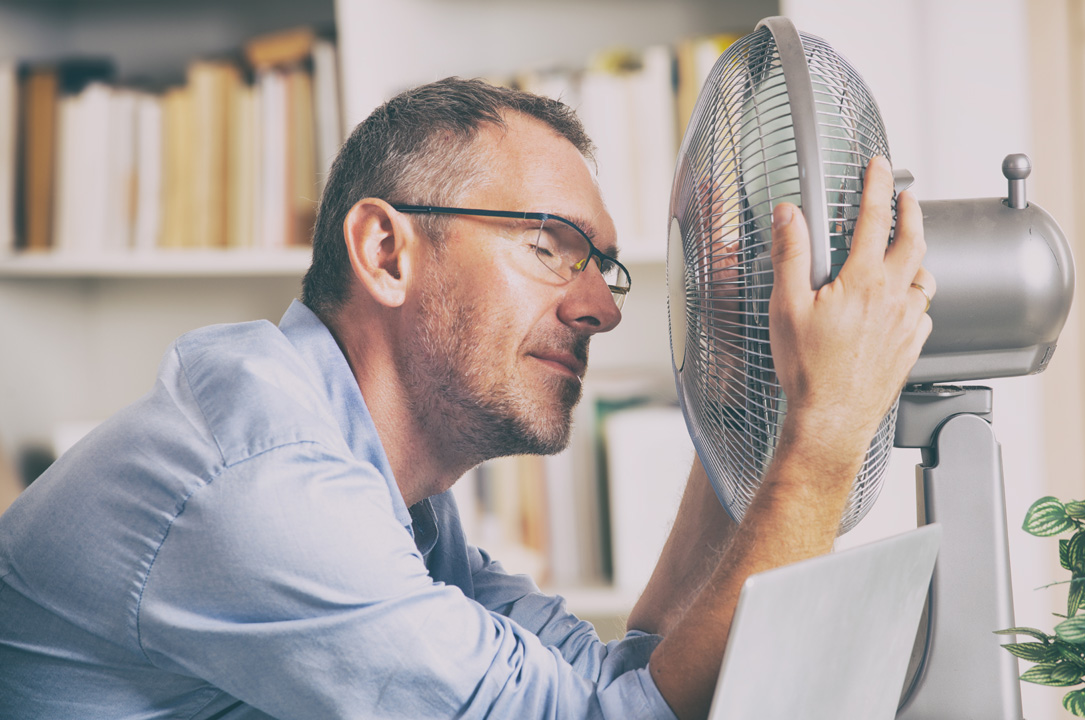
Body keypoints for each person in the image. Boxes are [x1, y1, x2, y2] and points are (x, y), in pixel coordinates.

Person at [0, 78, 934, 719]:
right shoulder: (268, 492)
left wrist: (744, 403)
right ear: (385, 253)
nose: (604, 306)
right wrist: (825, 432)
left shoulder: (387, 493)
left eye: (604, 265)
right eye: (549, 246)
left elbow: (626, 680)